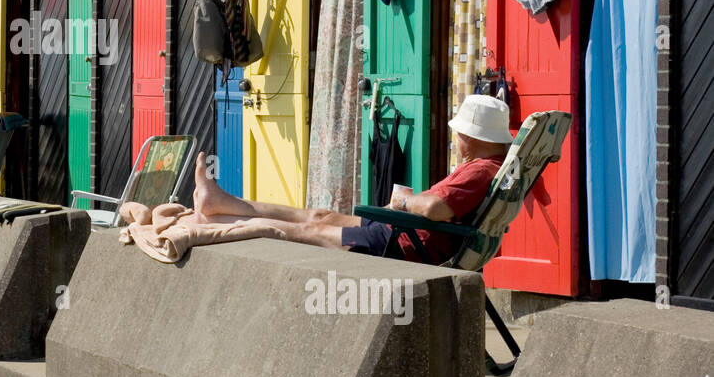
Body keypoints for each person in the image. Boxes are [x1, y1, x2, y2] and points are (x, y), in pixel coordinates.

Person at [147, 94, 514, 265]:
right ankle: (222, 204)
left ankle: (220, 221)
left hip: (400, 242)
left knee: (296, 232)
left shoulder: (481, 170)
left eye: (460, 133)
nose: (455, 138)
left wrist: (403, 202)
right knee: (319, 215)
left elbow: (434, 207)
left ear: (475, 137)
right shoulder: (487, 166)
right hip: (402, 231)